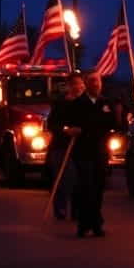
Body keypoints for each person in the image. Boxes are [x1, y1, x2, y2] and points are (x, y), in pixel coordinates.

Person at [67, 71, 116, 238]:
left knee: (98, 188)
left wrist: (122, 114)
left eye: (98, 80)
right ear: (86, 83)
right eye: (92, 81)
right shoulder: (78, 103)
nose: (96, 84)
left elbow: (113, 124)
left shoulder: (105, 103)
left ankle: (96, 223)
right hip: (83, 152)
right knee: (85, 188)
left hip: (100, 152)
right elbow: (67, 124)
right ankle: (84, 223)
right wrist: (70, 130)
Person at [46, 73, 85, 220]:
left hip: (80, 147)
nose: (78, 87)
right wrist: (65, 130)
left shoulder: (86, 103)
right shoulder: (60, 103)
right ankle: (60, 208)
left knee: (79, 179)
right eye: (75, 83)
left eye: (81, 83)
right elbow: (52, 124)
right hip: (61, 146)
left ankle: (76, 210)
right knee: (63, 178)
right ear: (68, 86)